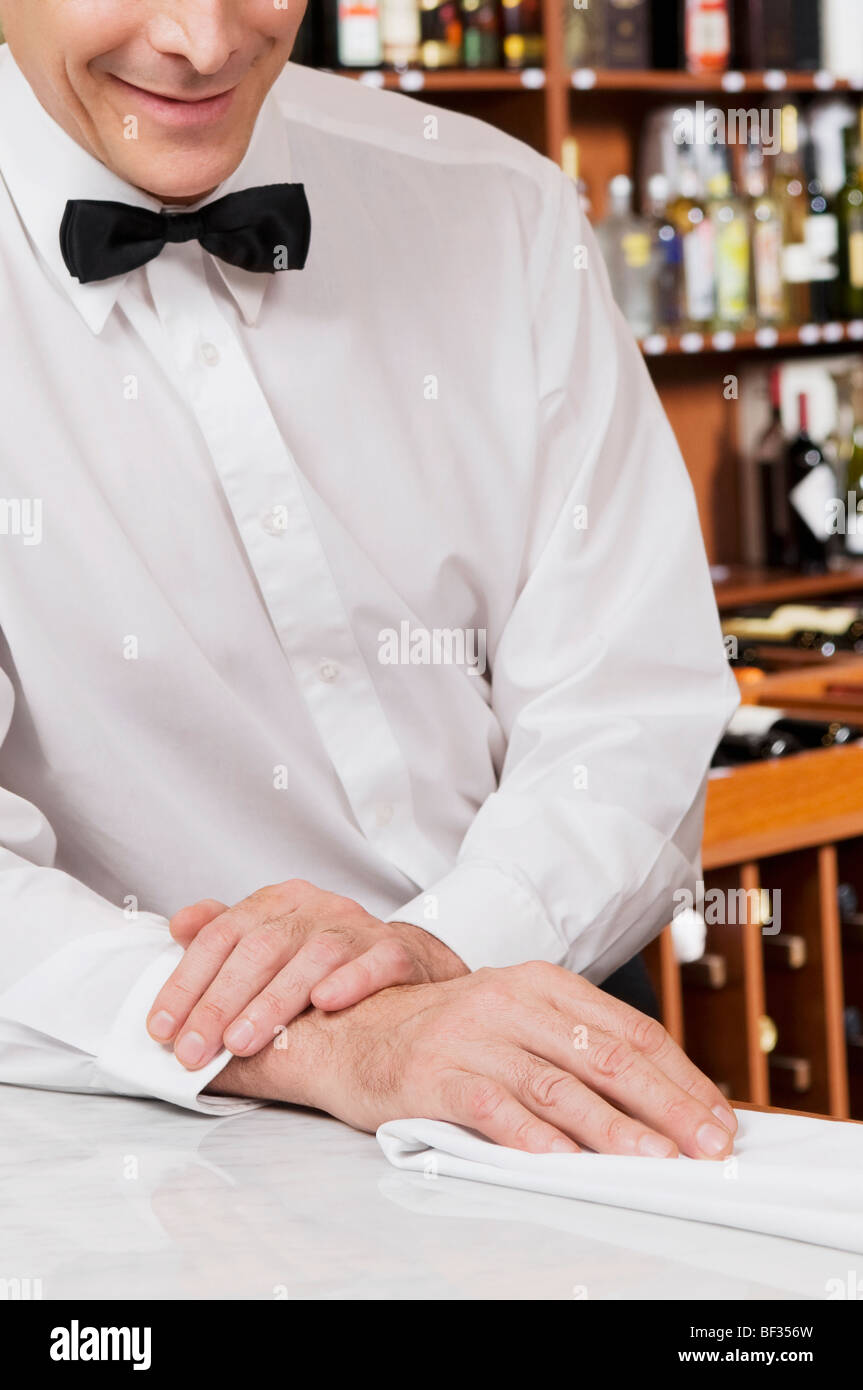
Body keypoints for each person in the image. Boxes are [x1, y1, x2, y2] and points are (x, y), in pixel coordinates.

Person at [0, 1, 739, 1160]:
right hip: (153, 1141)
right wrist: (329, 1042)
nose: (200, 39)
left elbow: (629, 703)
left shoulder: (501, 207)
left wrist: (444, 955)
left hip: (553, 1068)